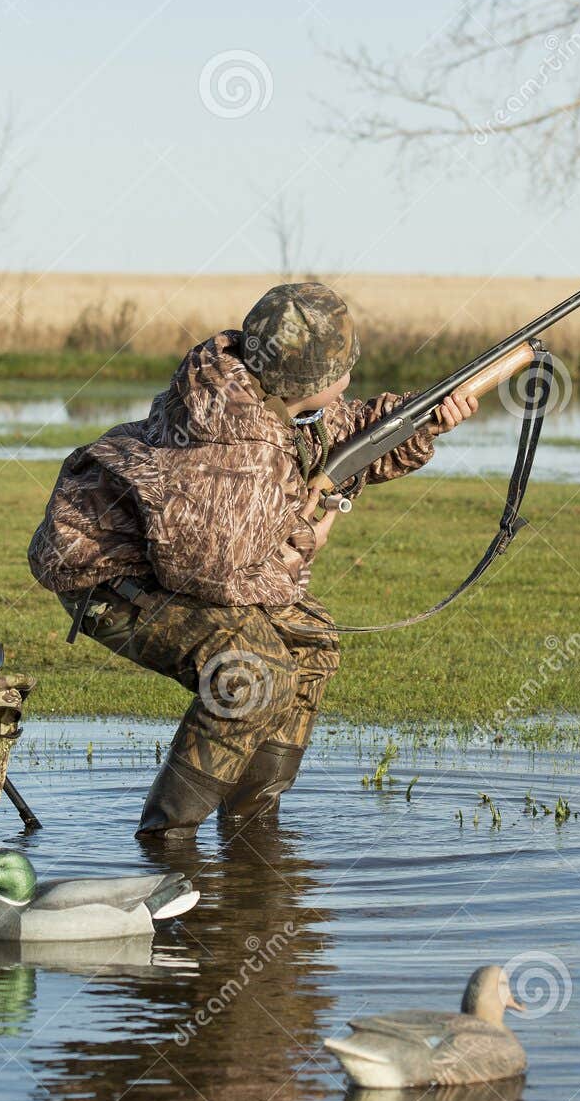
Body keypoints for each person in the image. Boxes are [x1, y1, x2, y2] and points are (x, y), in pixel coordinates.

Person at [28, 282, 476, 842]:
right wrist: (302, 543)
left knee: (310, 642)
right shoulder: (237, 447)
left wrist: (424, 420)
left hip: (179, 559)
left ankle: (250, 828)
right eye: (343, 368)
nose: (349, 379)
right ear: (311, 379)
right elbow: (203, 572)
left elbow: (347, 438)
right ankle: (166, 839)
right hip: (107, 575)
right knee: (253, 672)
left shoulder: (272, 397)